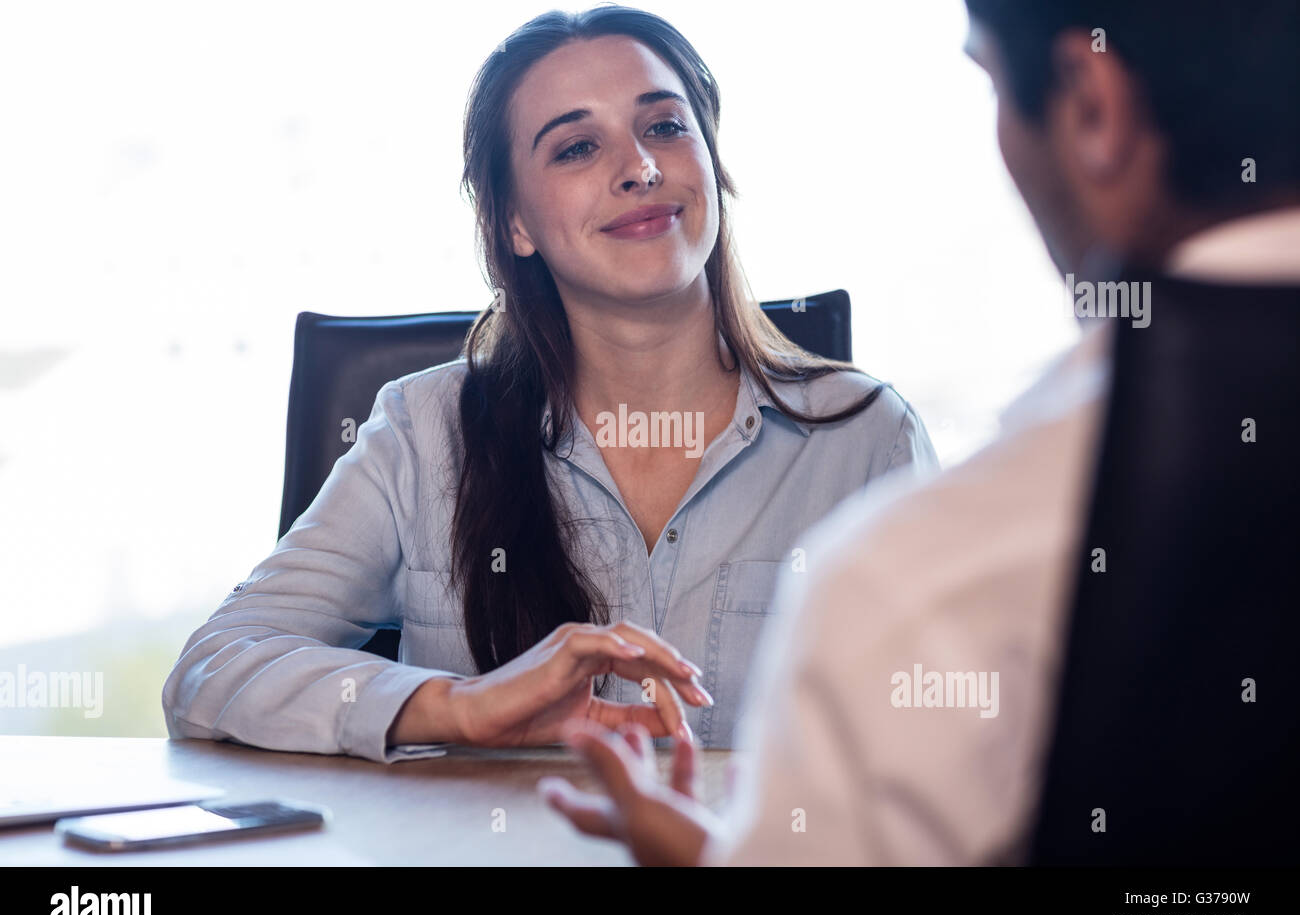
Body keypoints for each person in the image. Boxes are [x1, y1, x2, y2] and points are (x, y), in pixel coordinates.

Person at [541, 0, 1300, 864]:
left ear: (1092, 103)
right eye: (575, 145)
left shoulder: (918, 581)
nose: (637, 169)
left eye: (989, 89)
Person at [161, 6, 936, 763]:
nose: (638, 167)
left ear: (713, 165)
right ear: (513, 225)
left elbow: (948, 750)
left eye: (665, 126)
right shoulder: (422, 432)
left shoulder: (865, 439)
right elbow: (214, 668)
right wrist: (462, 708)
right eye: (575, 148)